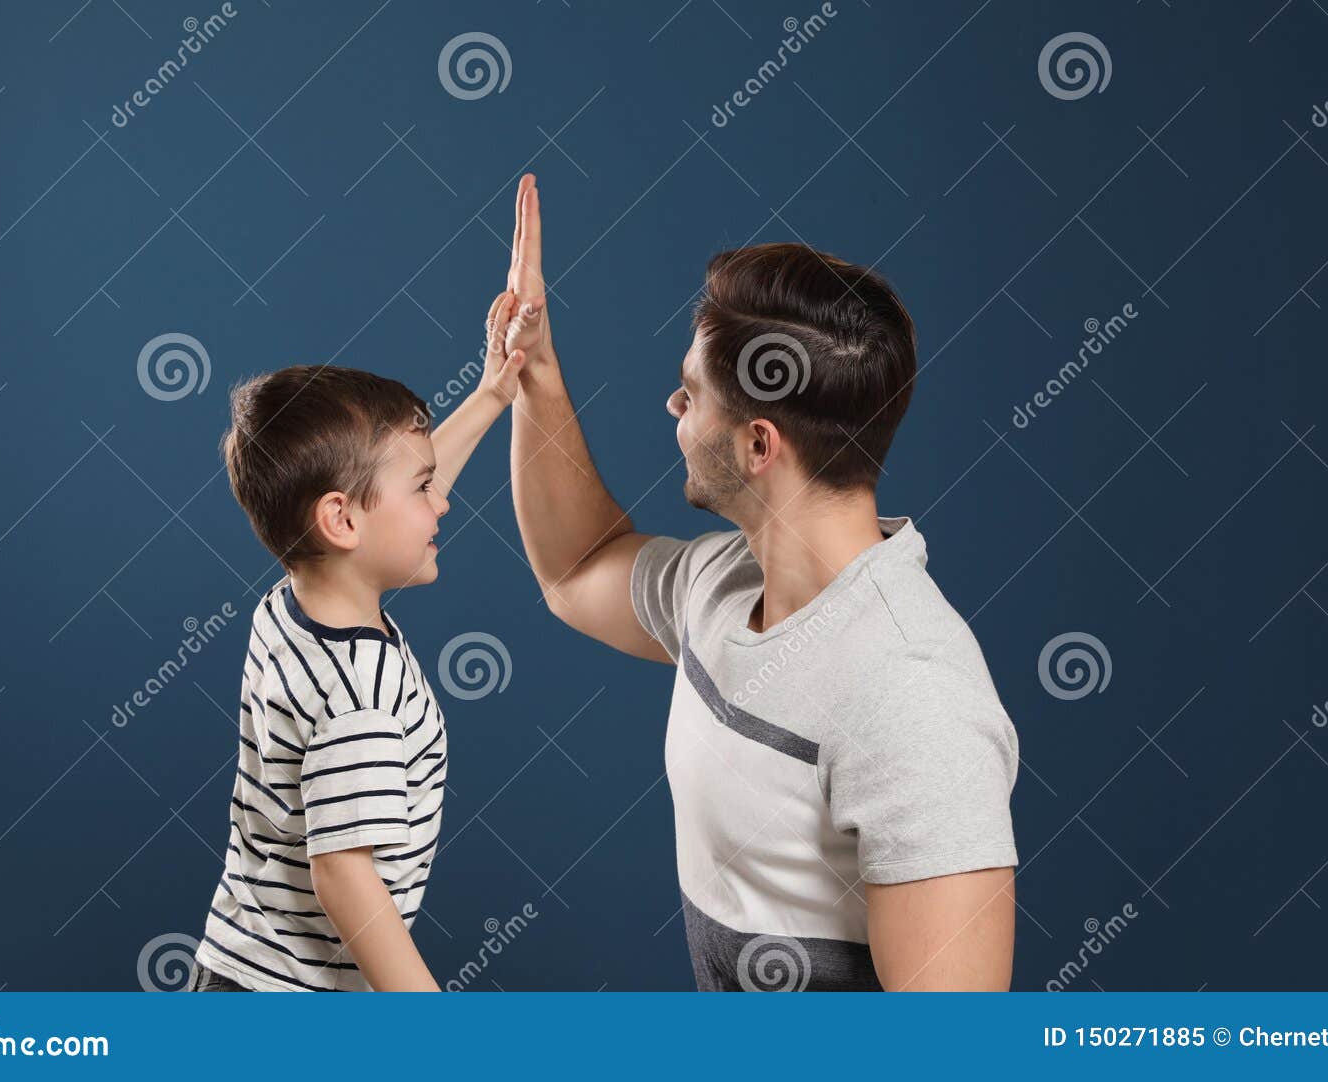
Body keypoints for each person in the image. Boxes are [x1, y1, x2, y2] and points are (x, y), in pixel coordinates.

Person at [499, 174, 1020, 991]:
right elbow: (576, 569)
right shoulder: (721, 582)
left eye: (692, 394)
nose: (672, 406)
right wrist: (535, 371)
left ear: (757, 446)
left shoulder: (913, 693)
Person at [185, 295, 528, 991]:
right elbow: (344, 875)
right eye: (426, 488)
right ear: (339, 521)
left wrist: (493, 393)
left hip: (233, 968)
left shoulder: (288, 605)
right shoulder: (362, 693)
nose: (443, 501)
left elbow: (383, 503)